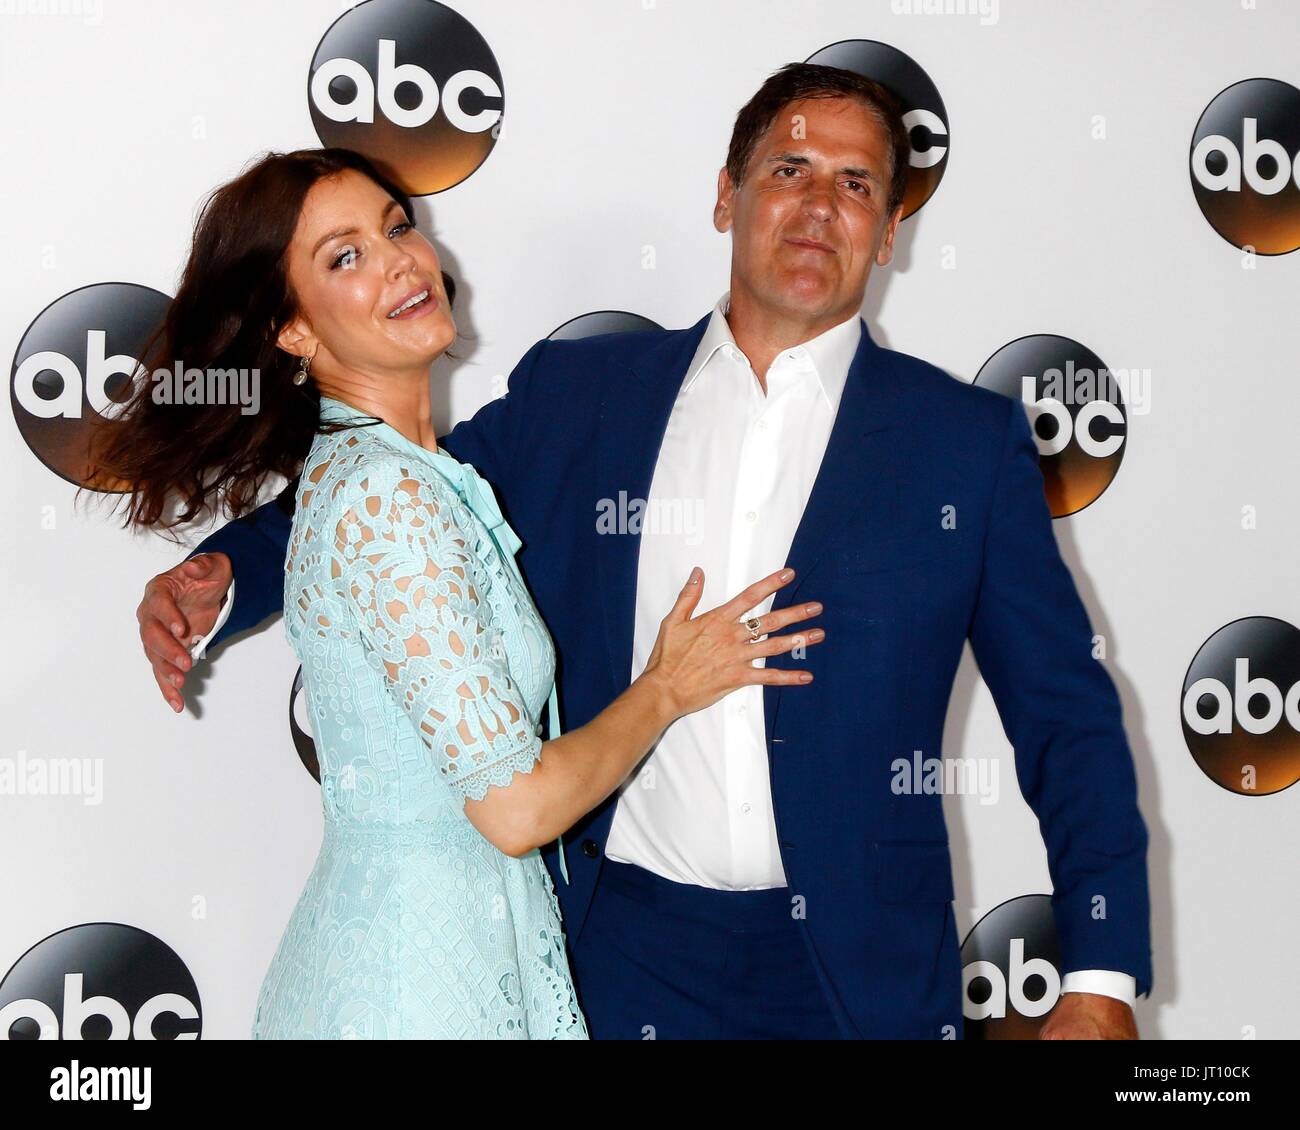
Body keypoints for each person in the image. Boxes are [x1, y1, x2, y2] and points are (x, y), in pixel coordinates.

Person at [138, 64, 1152, 1039]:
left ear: (890, 230)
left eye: (856, 184)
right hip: (615, 956)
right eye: (788, 171)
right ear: (727, 196)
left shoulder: (964, 445)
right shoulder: (580, 394)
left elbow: (1066, 713)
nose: (816, 207)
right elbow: (402, 505)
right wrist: (224, 574)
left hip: (859, 971)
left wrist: (1099, 973)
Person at [99, 146, 824, 1039]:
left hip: (460, 959)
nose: (399, 258)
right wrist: (669, 684)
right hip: (419, 991)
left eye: (396, 226)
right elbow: (516, 809)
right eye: (345, 255)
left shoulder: (410, 471)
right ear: (292, 330)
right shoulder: (397, 486)